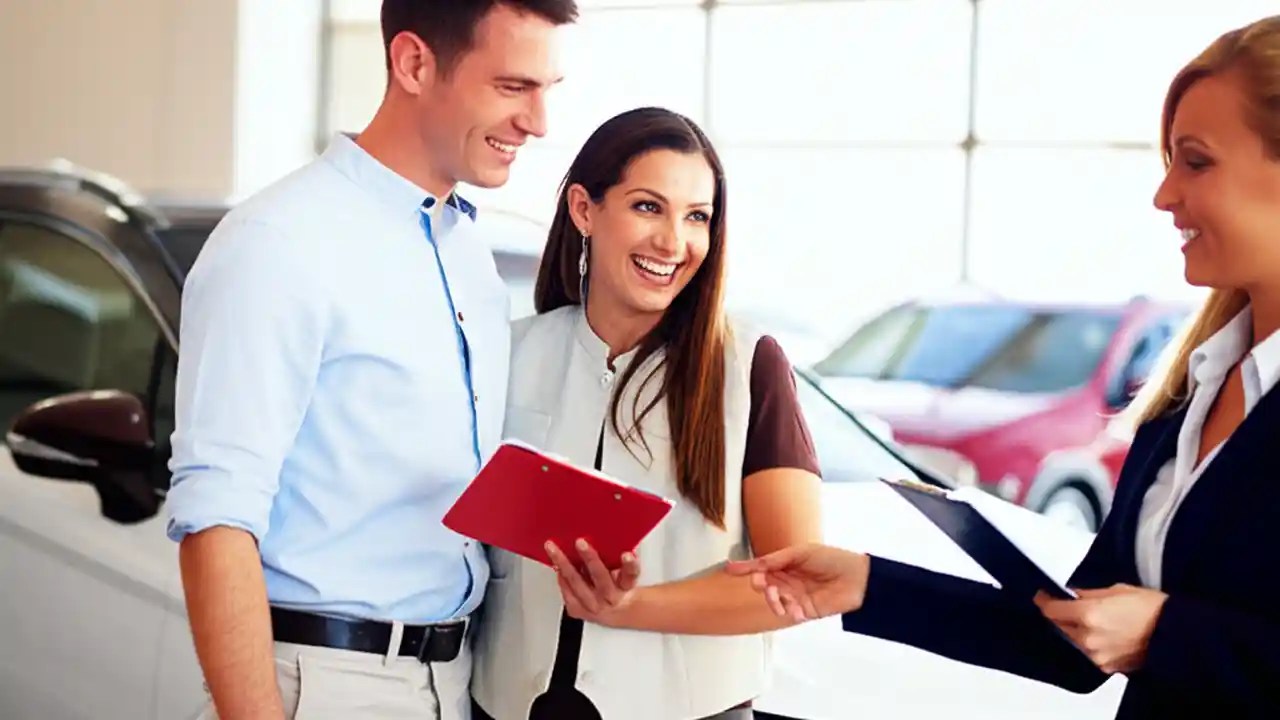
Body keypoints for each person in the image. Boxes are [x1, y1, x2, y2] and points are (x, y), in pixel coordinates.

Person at [727, 14, 1280, 720]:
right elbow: (1073, 642)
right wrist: (864, 583)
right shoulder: (1188, 394)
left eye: (1195, 160)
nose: (1164, 194)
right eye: (1167, 160)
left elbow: (1161, 636)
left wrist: (1167, 634)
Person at [164, 1, 575, 718]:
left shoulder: (468, 257)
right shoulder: (278, 243)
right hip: (322, 685)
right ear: (414, 63)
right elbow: (215, 519)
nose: (538, 123)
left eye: (548, 91)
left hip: (453, 679)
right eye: (513, 87)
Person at [467, 107, 824, 720]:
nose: (673, 242)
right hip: (511, 705)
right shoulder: (509, 352)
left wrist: (632, 607)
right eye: (647, 207)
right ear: (584, 209)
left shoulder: (747, 365)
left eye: (697, 217)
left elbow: (797, 581)